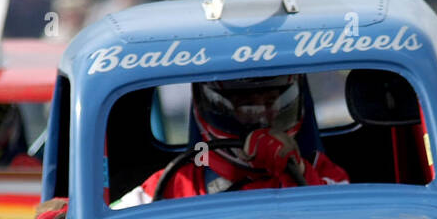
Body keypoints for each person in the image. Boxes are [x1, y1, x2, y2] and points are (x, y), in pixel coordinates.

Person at [112, 74, 348, 208]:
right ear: (217, 106)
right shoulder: (175, 182)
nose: (261, 116)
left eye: (271, 101)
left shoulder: (320, 170)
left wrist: (297, 171)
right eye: (244, 104)